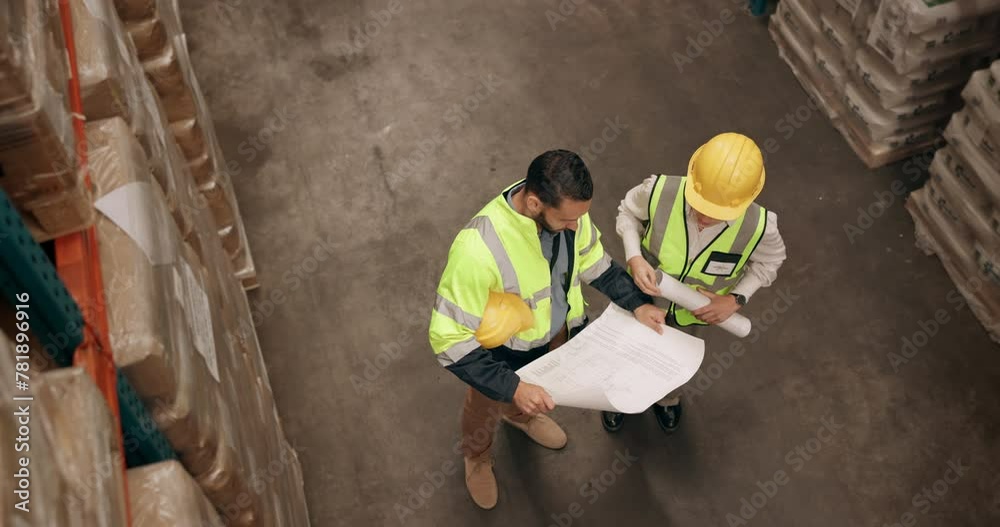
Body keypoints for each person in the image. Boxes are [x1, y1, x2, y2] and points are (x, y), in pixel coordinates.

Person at [429, 150, 665, 509]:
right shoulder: (478, 249)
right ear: (534, 203)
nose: (576, 226)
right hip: (500, 353)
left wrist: (638, 303)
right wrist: (513, 386)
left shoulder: (570, 215)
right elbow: (449, 339)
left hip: (554, 334)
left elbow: (595, 264)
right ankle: (477, 456)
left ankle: (519, 416)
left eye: (579, 217)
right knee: (484, 406)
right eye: (568, 219)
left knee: (534, 391)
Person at [602, 132, 787, 435]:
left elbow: (770, 262)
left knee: (674, 361)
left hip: (693, 312)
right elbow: (628, 213)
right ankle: (616, 398)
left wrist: (736, 299)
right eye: (700, 206)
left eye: (715, 214)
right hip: (640, 297)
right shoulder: (659, 191)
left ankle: (666, 399)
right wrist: (634, 255)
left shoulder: (759, 228)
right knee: (627, 347)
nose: (702, 217)